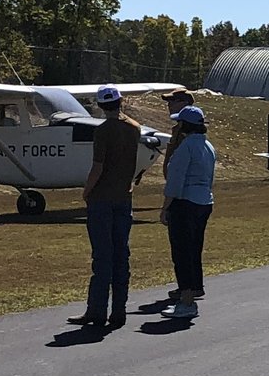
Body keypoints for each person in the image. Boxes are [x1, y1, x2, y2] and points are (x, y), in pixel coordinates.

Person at [74, 84, 144, 328]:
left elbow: (98, 167)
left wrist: (87, 191)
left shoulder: (103, 131)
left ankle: (96, 310)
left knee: (102, 256)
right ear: (120, 101)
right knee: (121, 254)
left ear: (101, 105)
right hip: (124, 197)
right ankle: (119, 310)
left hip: (102, 199)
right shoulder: (134, 128)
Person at [161, 104, 216, 320]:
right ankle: (194, 287)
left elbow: (175, 180)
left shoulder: (185, 147)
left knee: (182, 252)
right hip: (204, 201)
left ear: (185, 125)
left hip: (185, 202)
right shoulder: (208, 146)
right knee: (194, 248)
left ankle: (186, 300)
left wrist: (166, 207)